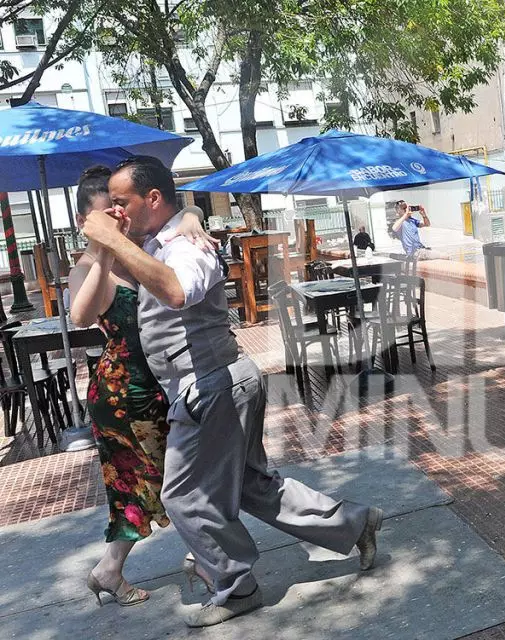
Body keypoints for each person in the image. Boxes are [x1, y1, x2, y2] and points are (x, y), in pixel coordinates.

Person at [81, 156, 384, 627]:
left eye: (122, 203)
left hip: (213, 385)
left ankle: (236, 585)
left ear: (153, 199)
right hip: (213, 385)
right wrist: (123, 239)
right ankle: (355, 522)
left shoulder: (187, 247)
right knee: (253, 487)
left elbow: (179, 292)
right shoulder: (164, 240)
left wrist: (150, 229)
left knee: (183, 495)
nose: (116, 212)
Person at [70, 166, 213, 608]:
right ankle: (206, 560)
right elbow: (80, 316)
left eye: (120, 211)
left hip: (156, 385)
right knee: (170, 480)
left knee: (147, 483)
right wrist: (103, 250)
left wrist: (191, 214)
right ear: (85, 223)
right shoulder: (90, 266)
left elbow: (169, 231)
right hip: (123, 393)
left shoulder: (141, 250)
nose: (118, 220)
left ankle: (109, 570)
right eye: (106, 215)